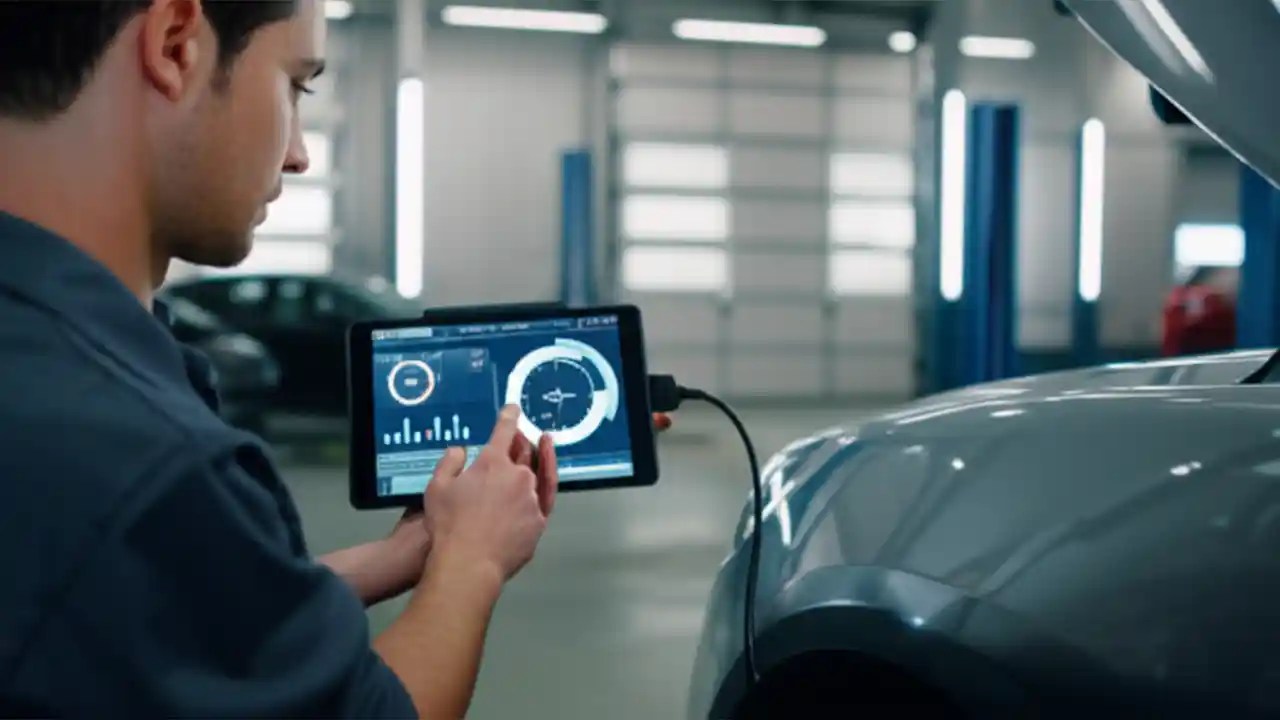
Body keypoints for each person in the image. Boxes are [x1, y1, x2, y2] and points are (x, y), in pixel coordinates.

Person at [0, 0, 631, 716]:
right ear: (176, 43)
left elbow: (168, 619)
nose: (299, 152)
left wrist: (397, 559)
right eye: (296, 84)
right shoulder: (143, 459)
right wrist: (474, 562)